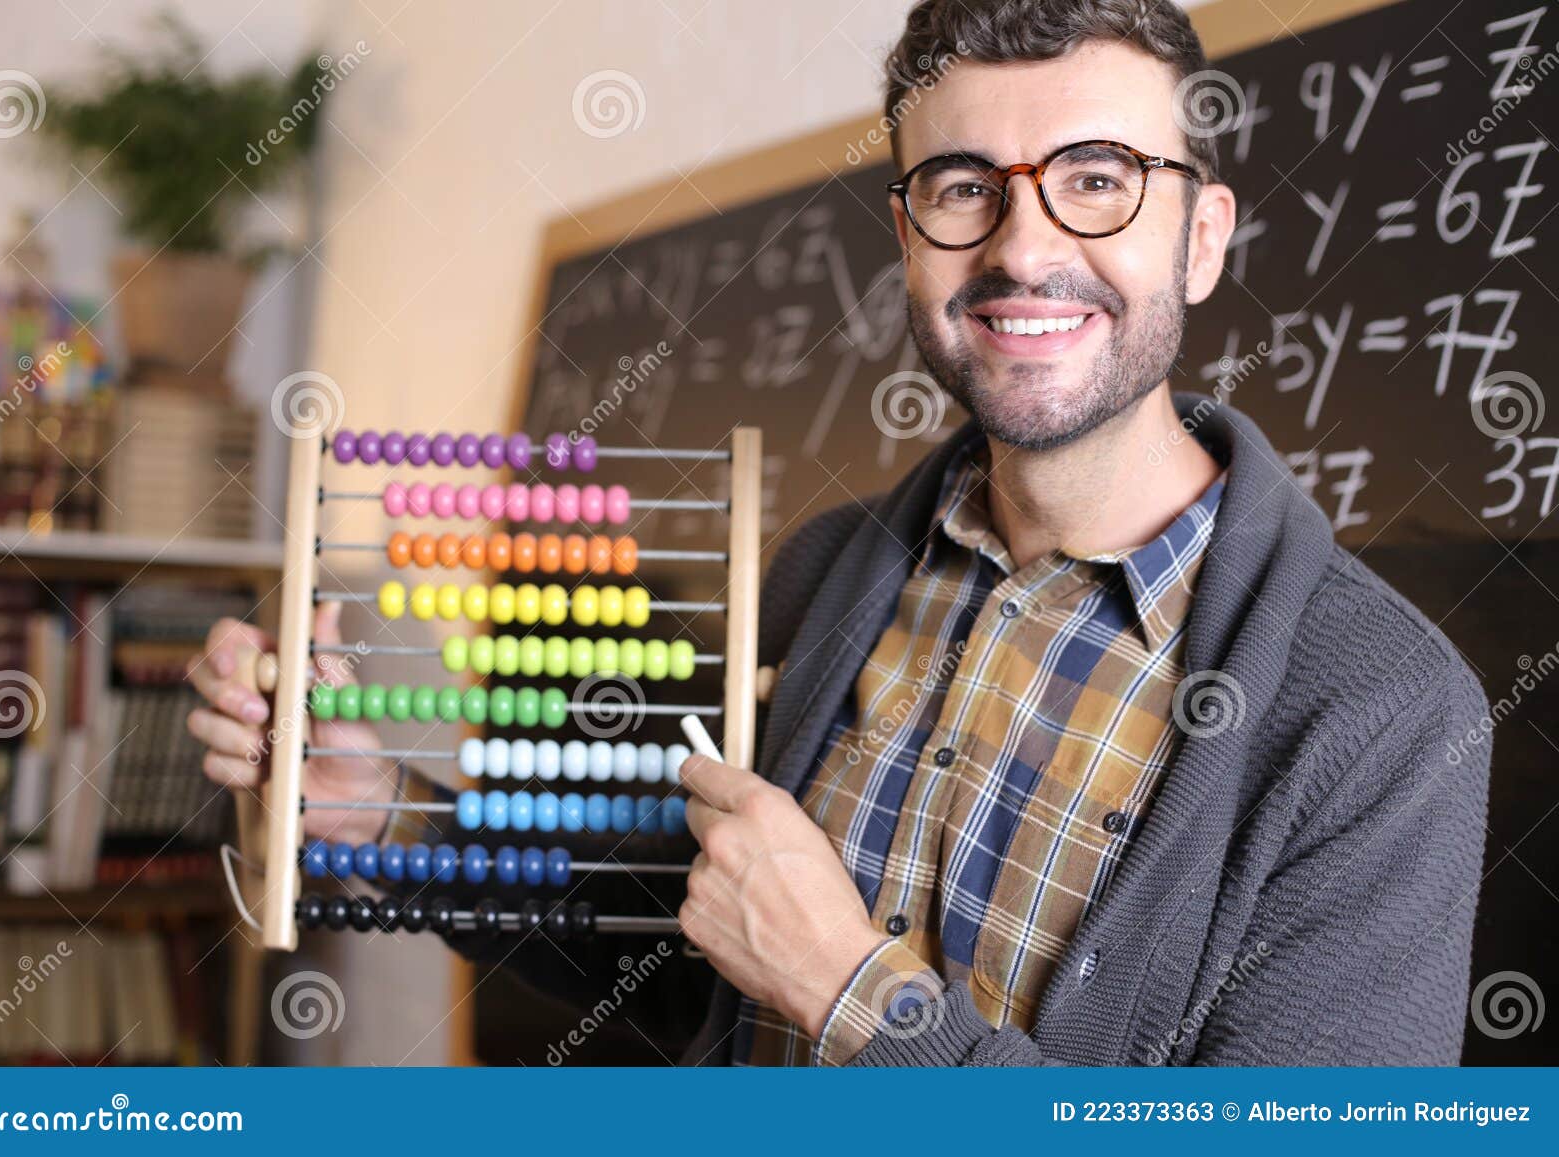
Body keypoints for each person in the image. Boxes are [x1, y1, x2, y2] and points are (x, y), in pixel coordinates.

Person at [187, 0, 1491, 1067]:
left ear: (1203, 239)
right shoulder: (832, 572)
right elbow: (692, 962)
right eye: (963, 185)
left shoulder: (1378, 715)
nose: (1024, 247)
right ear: (907, 240)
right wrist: (391, 818)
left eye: (1098, 180)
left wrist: (854, 990)